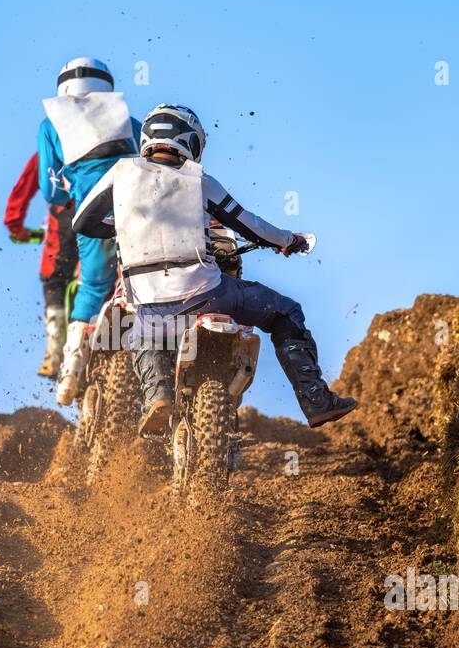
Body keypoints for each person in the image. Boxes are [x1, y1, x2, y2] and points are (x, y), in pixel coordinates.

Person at [72, 102, 358, 435]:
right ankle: (316, 400)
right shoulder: (197, 180)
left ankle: (158, 396)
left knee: (144, 331)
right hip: (207, 295)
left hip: (149, 304)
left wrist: (125, 226)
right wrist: (287, 241)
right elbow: (248, 225)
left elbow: (83, 222)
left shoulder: (119, 173)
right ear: (192, 141)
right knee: (285, 311)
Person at [38, 56, 141, 404]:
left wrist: (67, 198)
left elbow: (49, 185)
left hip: (91, 214)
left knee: (94, 285)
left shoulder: (51, 124)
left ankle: (69, 374)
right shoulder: (130, 122)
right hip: (141, 214)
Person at [4, 154, 78, 378]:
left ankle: (55, 352)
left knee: (53, 278)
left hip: (64, 221)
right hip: (108, 221)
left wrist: (17, 227)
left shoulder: (50, 150)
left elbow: (21, 191)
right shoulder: (114, 138)